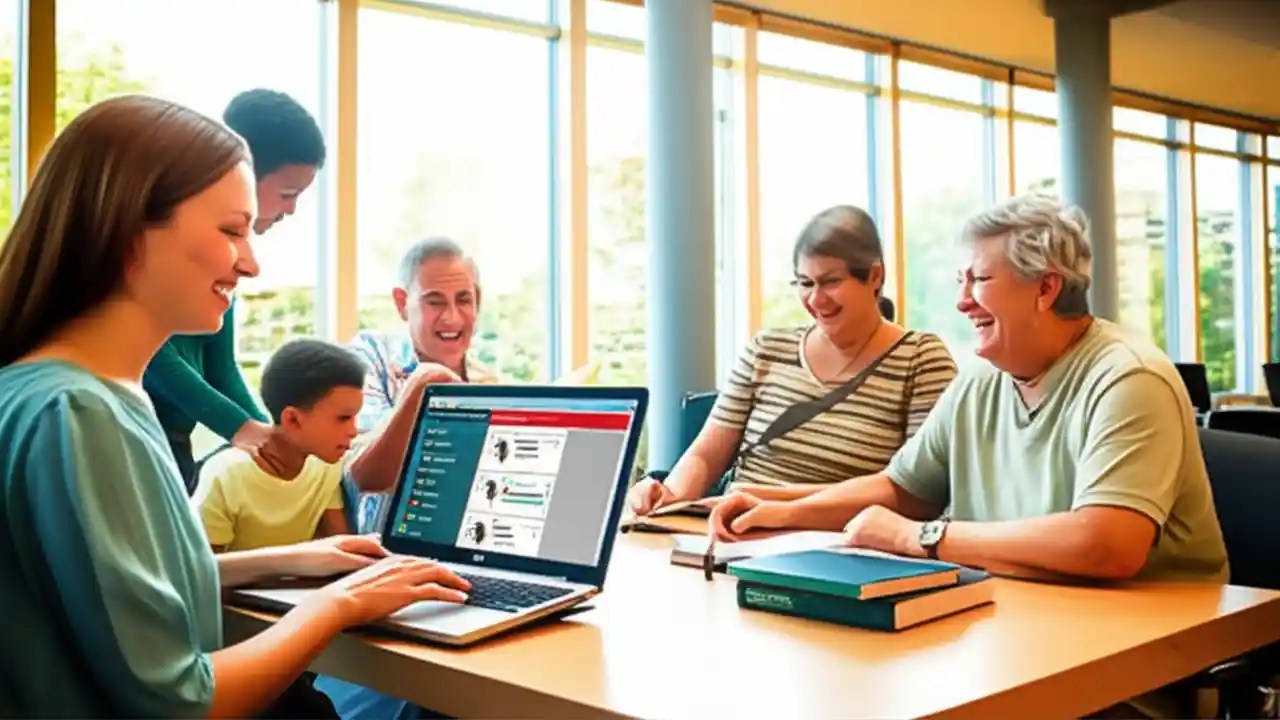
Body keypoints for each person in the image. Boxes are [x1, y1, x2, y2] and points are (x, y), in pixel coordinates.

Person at [0, 95, 469, 717]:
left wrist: (288, 560)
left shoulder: (52, 392)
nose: (250, 262)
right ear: (129, 231)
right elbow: (182, 704)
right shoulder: (81, 416)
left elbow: (103, 591)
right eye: (231, 231)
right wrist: (340, 603)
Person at [709, 194, 1229, 584]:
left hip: (1148, 650)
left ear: (1045, 288)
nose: (962, 301)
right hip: (1020, 618)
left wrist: (921, 537)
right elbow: (902, 490)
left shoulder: (1128, 378)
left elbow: (1108, 544)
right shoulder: (981, 380)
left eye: (978, 280)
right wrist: (782, 510)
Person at [628, 205, 958, 515]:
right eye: (805, 283)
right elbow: (704, 457)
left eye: (831, 282)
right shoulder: (766, 350)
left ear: (874, 276)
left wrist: (773, 503)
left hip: (838, 542)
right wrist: (668, 496)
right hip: (734, 527)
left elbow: (916, 495)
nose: (816, 299)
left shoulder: (921, 360)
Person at [143, 88, 327, 492]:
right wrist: (242, 428)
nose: (292, 209)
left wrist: (269, 434)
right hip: (144, 438)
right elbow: (152, 354)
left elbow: (220, 368)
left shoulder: (226, 265)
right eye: (288, 194)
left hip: (175, 444)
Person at [194, 339, 367, 552]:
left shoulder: (326, 467)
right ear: (292, 419)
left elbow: (344, 548)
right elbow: (202, 569)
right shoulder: (226, 475)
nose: (353, 431)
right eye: (343, 418)